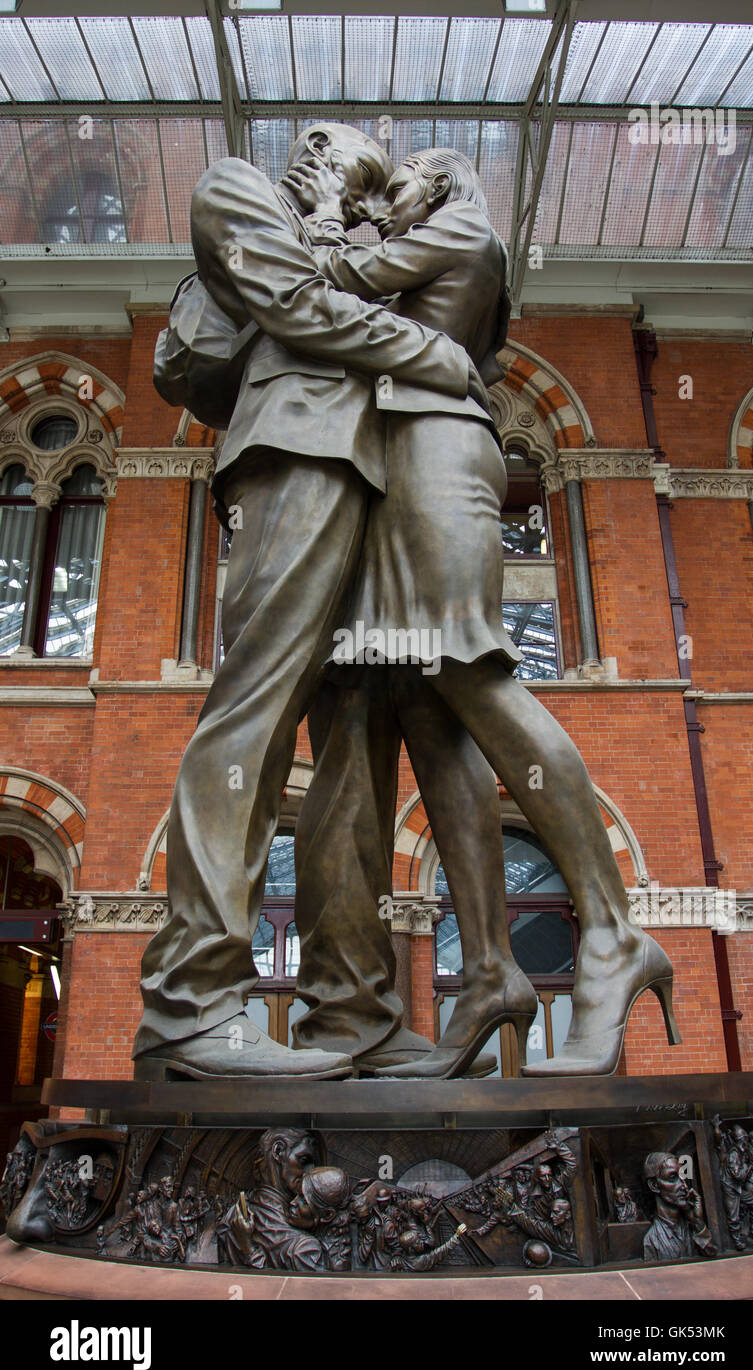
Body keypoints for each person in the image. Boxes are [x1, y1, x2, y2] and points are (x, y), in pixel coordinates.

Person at [289, 147, 678, 1078]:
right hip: (399, 463)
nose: (392, 196)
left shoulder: (463, 227)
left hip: (438, 454)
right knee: (429, 703)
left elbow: (331, 282)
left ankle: (614, 933)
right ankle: (491, 972)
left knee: (466, 664)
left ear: (446, 179)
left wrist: (325, 211)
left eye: (407, 179)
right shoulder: (438, 246)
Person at [131, 124, 488, 1082]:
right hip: (296, 455)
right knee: (251, 711)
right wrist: (431, 356)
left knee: (359, 750)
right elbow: (264, 322)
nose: (328, 170)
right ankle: (190, 1005)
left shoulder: (355, 244)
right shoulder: (238, 188)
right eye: (327, 152)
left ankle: (353, 1012)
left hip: (378, 483)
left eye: (359, 174)